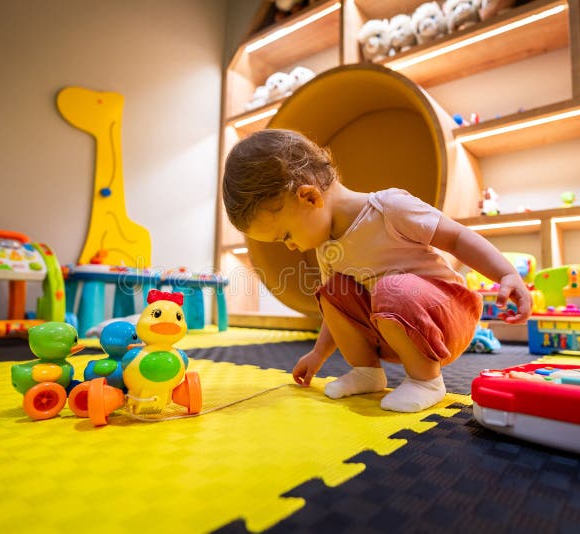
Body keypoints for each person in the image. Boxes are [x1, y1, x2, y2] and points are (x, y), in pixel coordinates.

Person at [222, 129, 532, 412]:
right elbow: (336, 313)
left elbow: (456, 238)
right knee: (332, 291)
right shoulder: (327, 248)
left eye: (286, 235)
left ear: (310, 197)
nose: (291, 246)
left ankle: (426, 381)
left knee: (389, 287)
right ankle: (367, 372)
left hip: (447, 317)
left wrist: (506, 274)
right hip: (392, 329)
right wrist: (318, 354)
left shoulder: (389, 209)